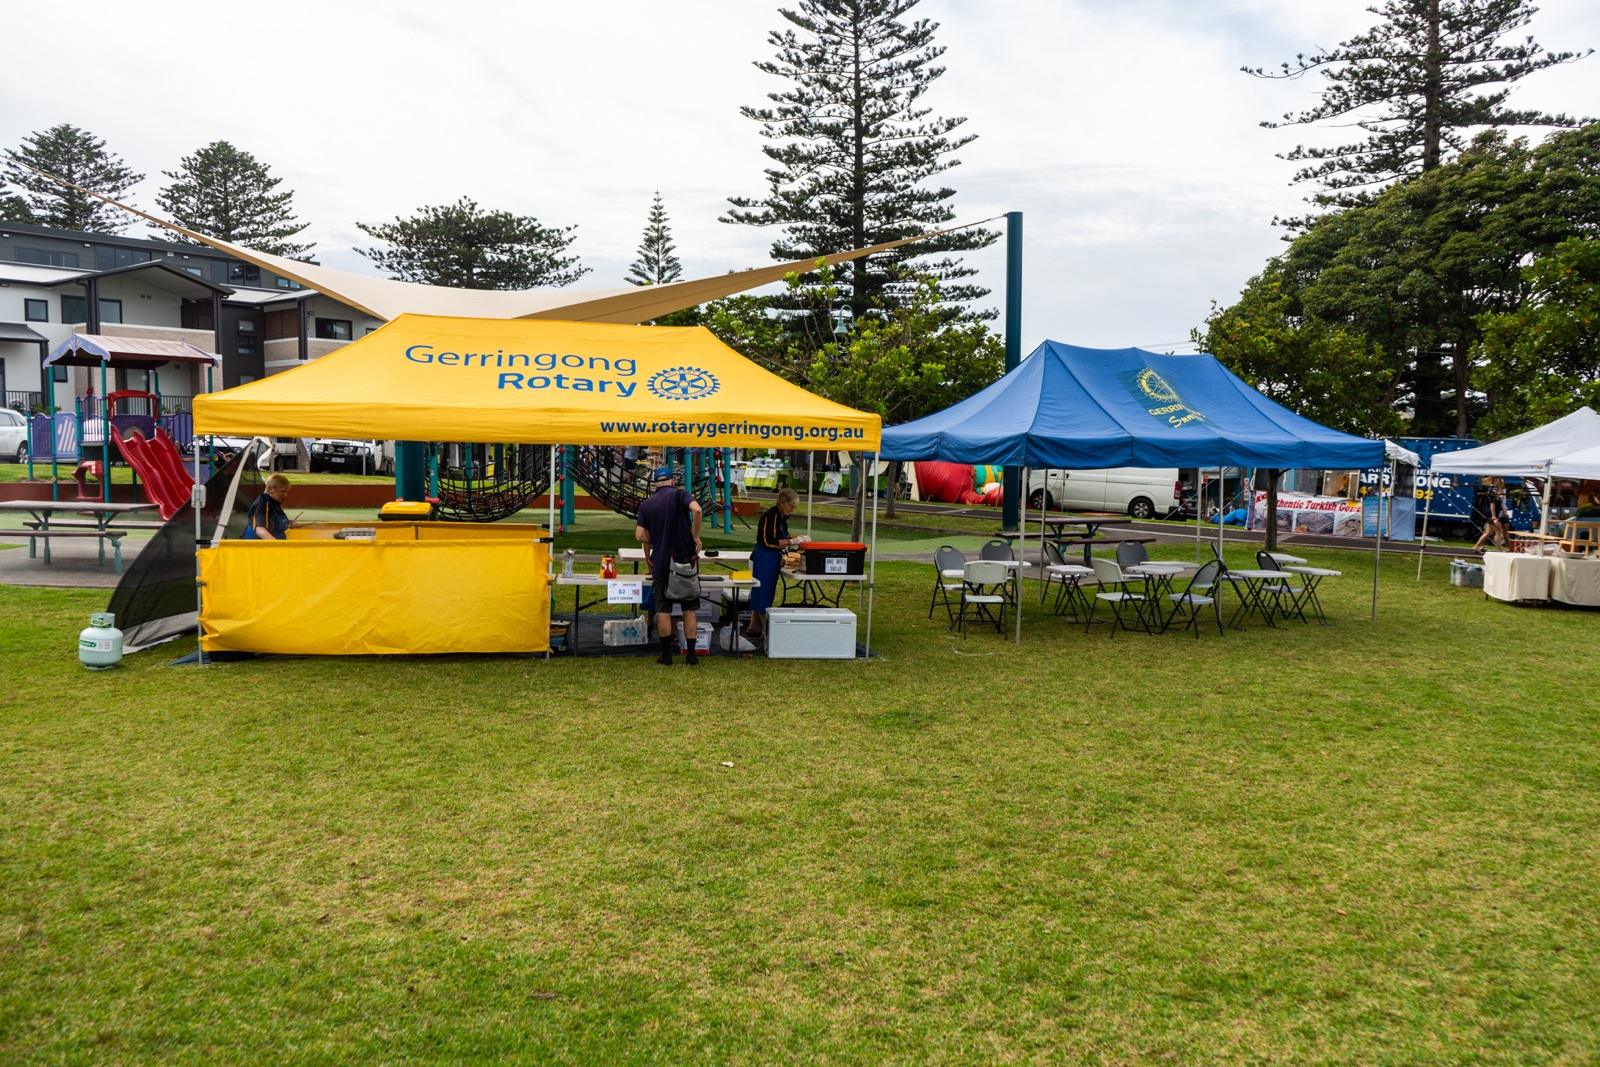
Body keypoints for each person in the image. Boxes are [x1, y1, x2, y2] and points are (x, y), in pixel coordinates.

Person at [635, 466, 703, 666]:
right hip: (685, 561)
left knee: (663, 609)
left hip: (661, 563)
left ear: (655, 484)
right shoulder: (680, 495)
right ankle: (691, 655)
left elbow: (639, 535)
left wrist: (656, 539)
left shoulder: (646, 504)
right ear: (672, 481)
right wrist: (696, 536)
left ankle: (666, 655)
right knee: (689, 608)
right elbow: (697, 509)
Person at [745, 487, 804, 640]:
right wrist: (792, 541)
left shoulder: (782, 517)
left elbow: (783, 535)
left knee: (765, 592)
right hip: (764, 557)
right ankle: (766, 632)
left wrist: (797, 540)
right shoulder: (770, 516)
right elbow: (768, 541)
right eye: (791, 506)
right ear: (782, 503)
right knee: (762, 592)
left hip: (772, 558)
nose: (792, 510)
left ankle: (754, 626)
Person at [243, 473, 294, 540]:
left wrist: (288, 523)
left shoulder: (275, 503)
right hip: (258, 548)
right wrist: (278, 546)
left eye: (287, 492)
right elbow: (260, 530)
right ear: (270, 489)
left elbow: (275, 523)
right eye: (283, 491)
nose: (285, 495)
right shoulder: (262, 503)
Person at [1473, 480, 1509, 552]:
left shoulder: (1497, 490)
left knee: (1489, 532)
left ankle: (1476, 546)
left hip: (1493, 514)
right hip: (1491, 514)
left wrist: (1503, 510)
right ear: (1496, 480)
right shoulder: (1493, 490)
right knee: (1498, 532)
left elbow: (1499, 502)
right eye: (1500, 480)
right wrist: (1493, 516)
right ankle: (1500, 549)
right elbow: (1492, 503)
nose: (1502, 481)